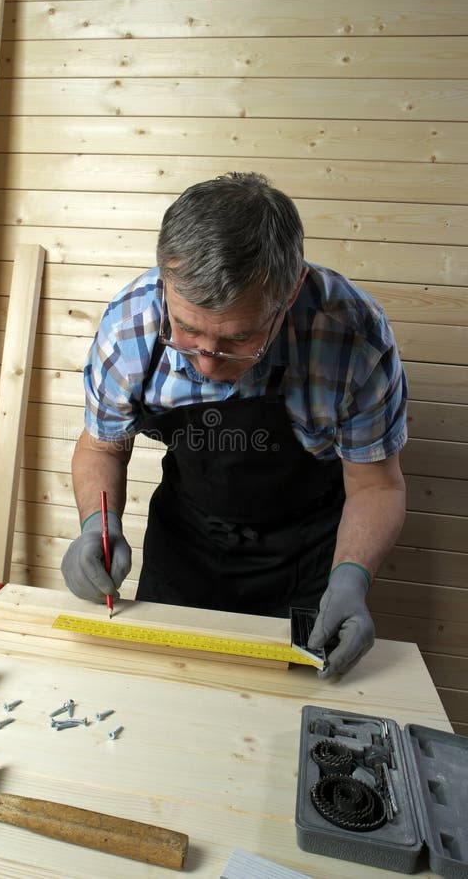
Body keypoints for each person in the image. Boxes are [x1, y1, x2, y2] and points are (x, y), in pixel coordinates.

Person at [62, 172, 407, 677]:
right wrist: (99, 523)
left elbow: (376, 483)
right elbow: (103, 448)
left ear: (288, 296)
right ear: (166, 284)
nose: (206, 362)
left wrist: (352, 578)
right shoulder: (130, 326)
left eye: (238, 338)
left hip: (308, 555)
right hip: (186, 544)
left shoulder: (352, 337)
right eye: (187, 329)